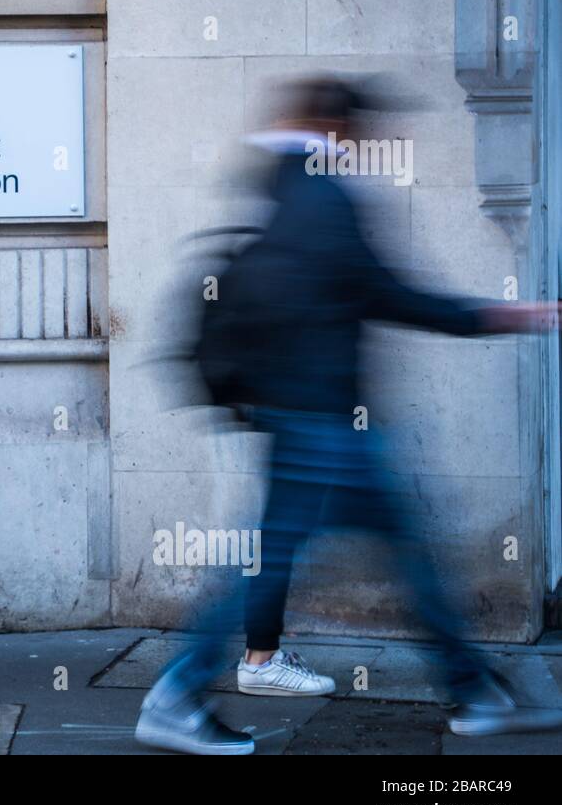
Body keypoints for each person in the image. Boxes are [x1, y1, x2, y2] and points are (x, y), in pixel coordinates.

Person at [134, 76, 562, 755]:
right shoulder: (321, 194)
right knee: (369, 553)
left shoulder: (277, 183)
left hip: (302, 415)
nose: (367, 146)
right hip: (325, 421)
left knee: (338, 551)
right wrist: (504, 313)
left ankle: (475, 690)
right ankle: (179, 693)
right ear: (337, 128)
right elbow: (389, 294)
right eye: (362, 134)